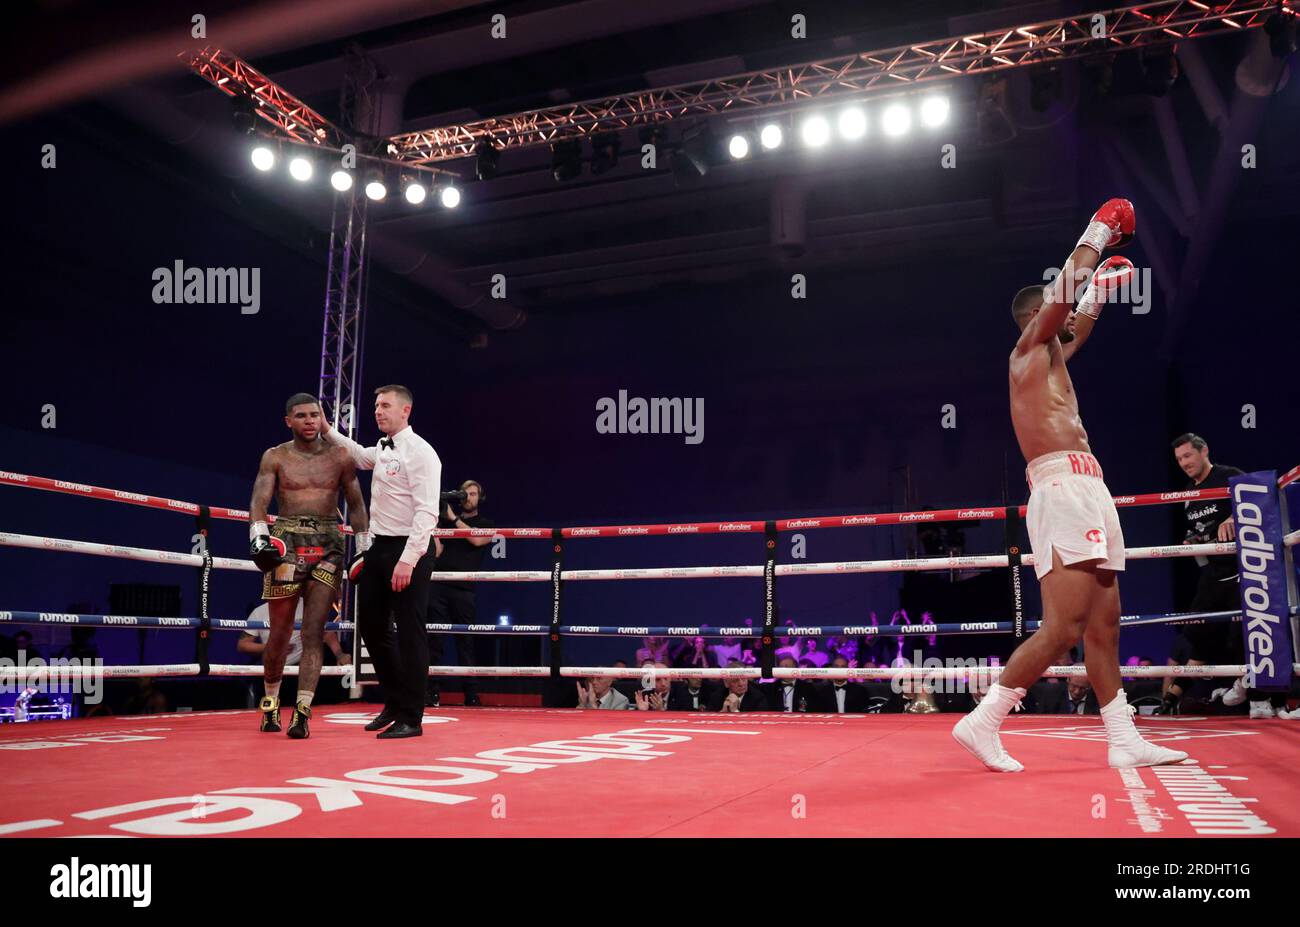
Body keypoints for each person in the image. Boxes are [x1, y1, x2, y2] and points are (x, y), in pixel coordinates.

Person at [953, 198, 1188, 772]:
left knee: (1105, 623)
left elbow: (1077, 323)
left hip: (1091, 487)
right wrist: (1099, 234)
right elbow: (1063, 302)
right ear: (1039, 320)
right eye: (1057, 319)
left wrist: (1101, 293)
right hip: (1059, 489)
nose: (1067, 327)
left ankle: (1123, 737)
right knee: (1063, 628)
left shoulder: (1055, 359)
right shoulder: (1027, 353)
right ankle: (983, 720)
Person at [320, 385, 440, 739]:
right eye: (376, 405)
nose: (377, 410)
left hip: (410, 549)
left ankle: (412, 717)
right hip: (379, 548)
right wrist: (328, 430)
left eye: (385, 405)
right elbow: (358, 455)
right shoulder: (384, 450)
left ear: (406, 411)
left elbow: (427, 512)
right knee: (371, 628)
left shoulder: (422, 453)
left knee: (410, 633)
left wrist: (408, 560)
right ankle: (393, 701)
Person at [249, 393, 368, 739]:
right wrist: (259, 535)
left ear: (322, 418)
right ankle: (270, 704)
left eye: (315, 415)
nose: (309, 421)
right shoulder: (276, 456)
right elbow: (259, 500)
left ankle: (302, 712)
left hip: (330, 543)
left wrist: (363, 548)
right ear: (289, 420)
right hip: (286, 541)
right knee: (280, 634)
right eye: (301, 416)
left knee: (313, 632)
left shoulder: (340, 456)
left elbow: (357, 505)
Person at [1164, 434, 1290, 719]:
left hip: (1243, 569)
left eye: (1188, 456)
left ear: (1203, 451)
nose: (1184, 463)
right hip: (1212, 572)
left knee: (1247, 630)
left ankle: (1257, 692)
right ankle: (1176, 696)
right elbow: (1195, 530)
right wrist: (1191, 542)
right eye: (1179, 459)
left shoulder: (1228, 476)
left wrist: (1235, 518)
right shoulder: (1187, 493)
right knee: (1197, 632)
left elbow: (1258, 498)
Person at [427, 479, 495, 707]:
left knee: (465, 641)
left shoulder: (486, 523)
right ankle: (432, 692)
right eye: (465, 494)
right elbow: (436, 552)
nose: (469, 498)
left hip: (464, 588)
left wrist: (453, 518)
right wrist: (433, 525)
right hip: (438, 585)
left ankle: (471, 694)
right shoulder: (446, 525)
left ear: (480, 498)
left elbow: (477, 539)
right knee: (434, 639)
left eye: (474, 494)